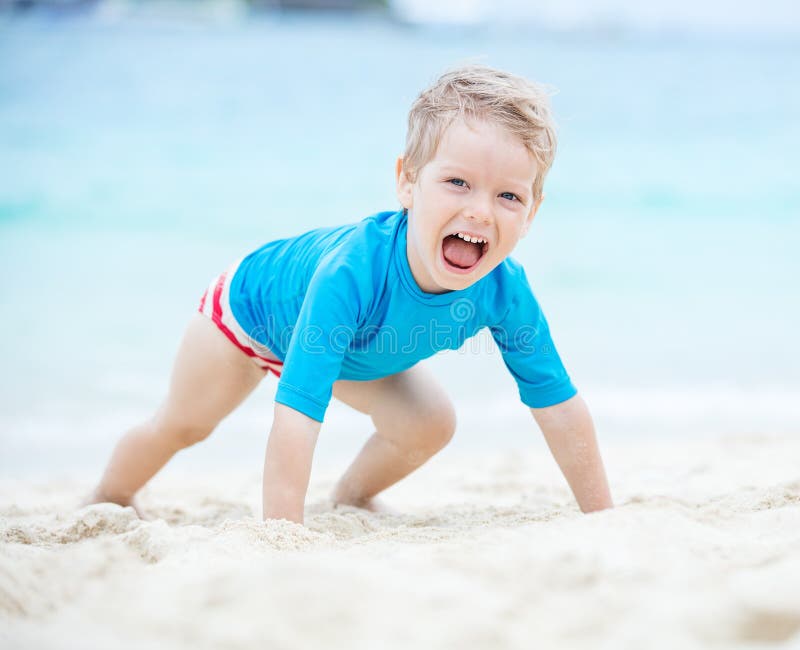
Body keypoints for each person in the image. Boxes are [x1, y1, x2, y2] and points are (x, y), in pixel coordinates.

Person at [88, 64, 613, 524]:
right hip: (248, 315)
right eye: (457, 182)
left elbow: (559, 407)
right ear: (407, 182)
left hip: (354, 349)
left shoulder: (505, 291)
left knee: (430, 423)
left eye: (507, 195)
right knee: (183, 426)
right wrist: (282, 535)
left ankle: (350, 499)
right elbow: (297, 412)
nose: (480, 210)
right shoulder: (351, 273)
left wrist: (602, 518)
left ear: (532, 213)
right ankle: (108, 496)